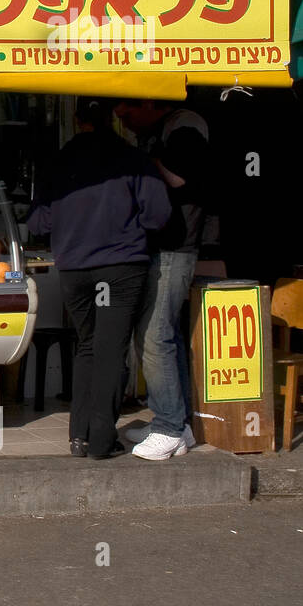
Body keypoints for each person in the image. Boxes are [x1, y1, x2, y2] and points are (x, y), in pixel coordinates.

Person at [27, 98, 171, 459]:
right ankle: (102, 439)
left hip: (74, 269)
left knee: (87, 345)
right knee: (110, 350)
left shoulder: (57, 162)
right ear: (113, 118)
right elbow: (158, 216)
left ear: (76, 120)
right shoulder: (133, 159)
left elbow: (38, 223)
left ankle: (79, 436)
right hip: (121, 268)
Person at [114, 99, 209, 460]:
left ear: (149, 103)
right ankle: (175, 423)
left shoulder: (185, 127)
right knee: (162, 335)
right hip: (161, 247)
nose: (126, 122)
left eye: (129, 113)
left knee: (156, 337)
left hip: (175, 247)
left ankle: (169, 427)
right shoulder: (164, 129)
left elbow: (180, 177)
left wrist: (141, 164)